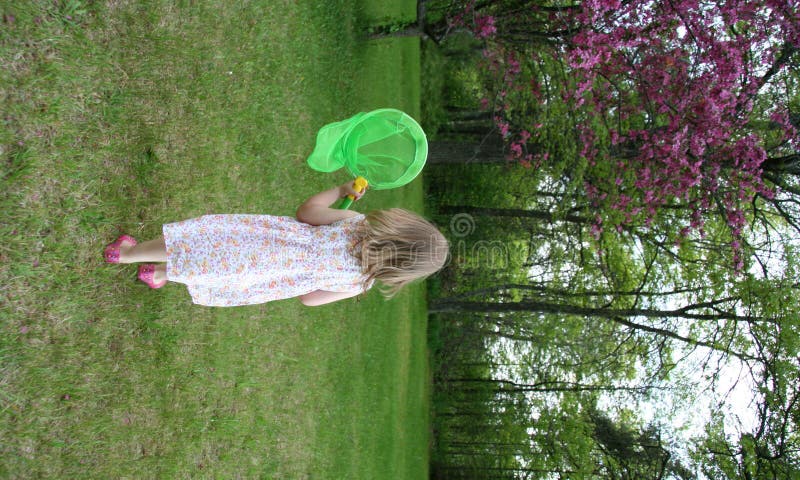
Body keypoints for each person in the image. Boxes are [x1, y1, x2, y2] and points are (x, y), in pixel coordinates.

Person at [103, 181, 449, 307]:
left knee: (197, 244)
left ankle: (127, 253)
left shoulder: (355, 225)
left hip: (256, 240)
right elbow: (310, 300)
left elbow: (307, 211)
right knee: (209, 267)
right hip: (255, 276)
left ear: (400, 226)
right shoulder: (359, 284)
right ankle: (160, 274)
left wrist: (342, 192)